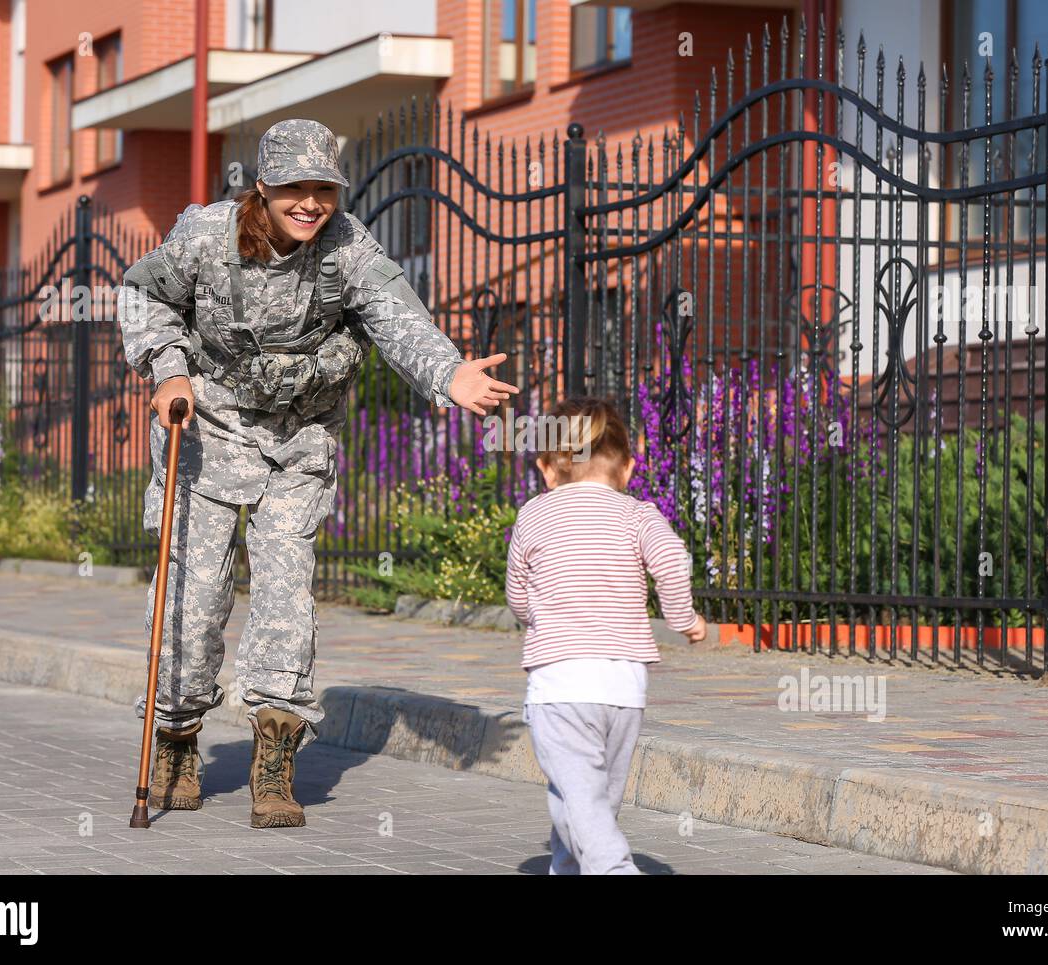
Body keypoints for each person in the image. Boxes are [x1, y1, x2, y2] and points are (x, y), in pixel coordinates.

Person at [118, 118, 518, 828]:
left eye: (323, 189)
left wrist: (448, 371)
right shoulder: (207, 237)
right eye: (297, 189)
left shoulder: (346, 248)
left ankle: (275, 758)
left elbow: (398, 318)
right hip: (206, 431)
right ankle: (176, 739)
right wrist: (169, 370)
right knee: (193, 596)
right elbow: (142, 295)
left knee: (286, 598)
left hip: (297, 441)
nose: (311, 203)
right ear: (264, 187)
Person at [504, 397, 707, 874]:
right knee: (593, 800)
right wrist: (684, 619)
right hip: (624, 688)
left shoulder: (534, 514)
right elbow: (674, 561)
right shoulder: (639, 515)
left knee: (581, 799)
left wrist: (536, 614)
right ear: (628, 467)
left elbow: (517, 593)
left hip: (561, 686)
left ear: (547, 467)